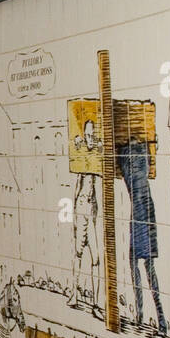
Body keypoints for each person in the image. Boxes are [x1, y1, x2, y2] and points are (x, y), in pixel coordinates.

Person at [119, 137, 167, 336]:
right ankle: (159, 318)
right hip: (147, 213)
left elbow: (121, 164)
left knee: (136, 264)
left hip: (140, 216)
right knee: (148, 267)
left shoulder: (125, 158)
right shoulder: (144, 157)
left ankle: (141, 315)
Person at [70, 118, 102, 312]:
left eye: (92, 135)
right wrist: (75, 215)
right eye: (87, 134)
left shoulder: (95, 155)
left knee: (96, 257)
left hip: (91, 210)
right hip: (82, 209)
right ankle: (74, 293)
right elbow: (76, 188)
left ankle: (96, 303)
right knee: (78, 252)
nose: (90, 138)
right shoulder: (81, 158)